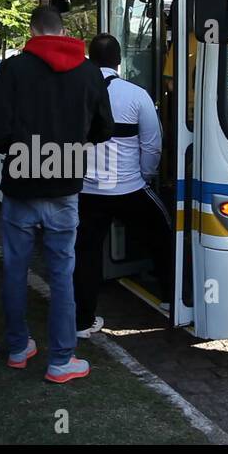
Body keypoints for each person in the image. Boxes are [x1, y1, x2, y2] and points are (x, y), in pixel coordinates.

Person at [0, 7, 114, 383]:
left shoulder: (12, 69)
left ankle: (17, 346)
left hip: (21, 181)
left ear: (32, 30)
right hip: (65, 180)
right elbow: (104, 129)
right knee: (61, 273)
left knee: (14, 268)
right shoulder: (90, 72)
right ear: (63, 29)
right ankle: (61, 359)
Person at [74, 34, 170, 337]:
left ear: (90, 59)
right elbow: (153, 145)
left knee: (85, 255)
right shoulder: (137, 94)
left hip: (86, 192)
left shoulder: (76, 92)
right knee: (163, 234)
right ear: (119, 61)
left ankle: (82, 321)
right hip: (129, 188)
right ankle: (171, 299)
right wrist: (145, 175)